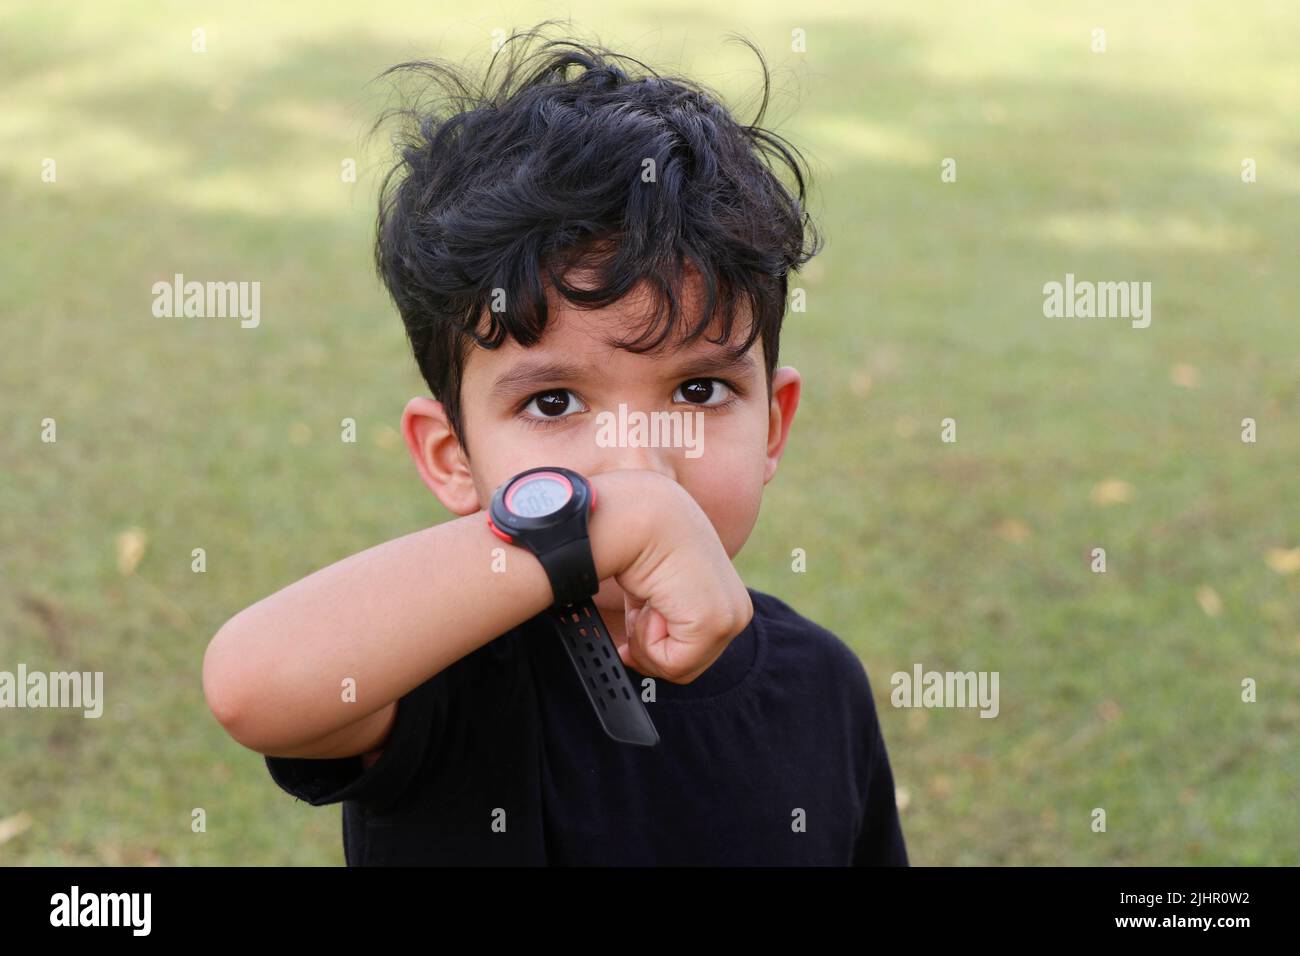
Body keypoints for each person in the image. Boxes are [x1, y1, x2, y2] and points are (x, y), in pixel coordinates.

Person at [201, 21, 908, 866]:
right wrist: (598, 526)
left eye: (698, 391)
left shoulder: (822, 687)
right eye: (554, 401)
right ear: (451, 457)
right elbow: (250, 684)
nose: (637, 463)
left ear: (773, 426)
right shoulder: (437, 666)